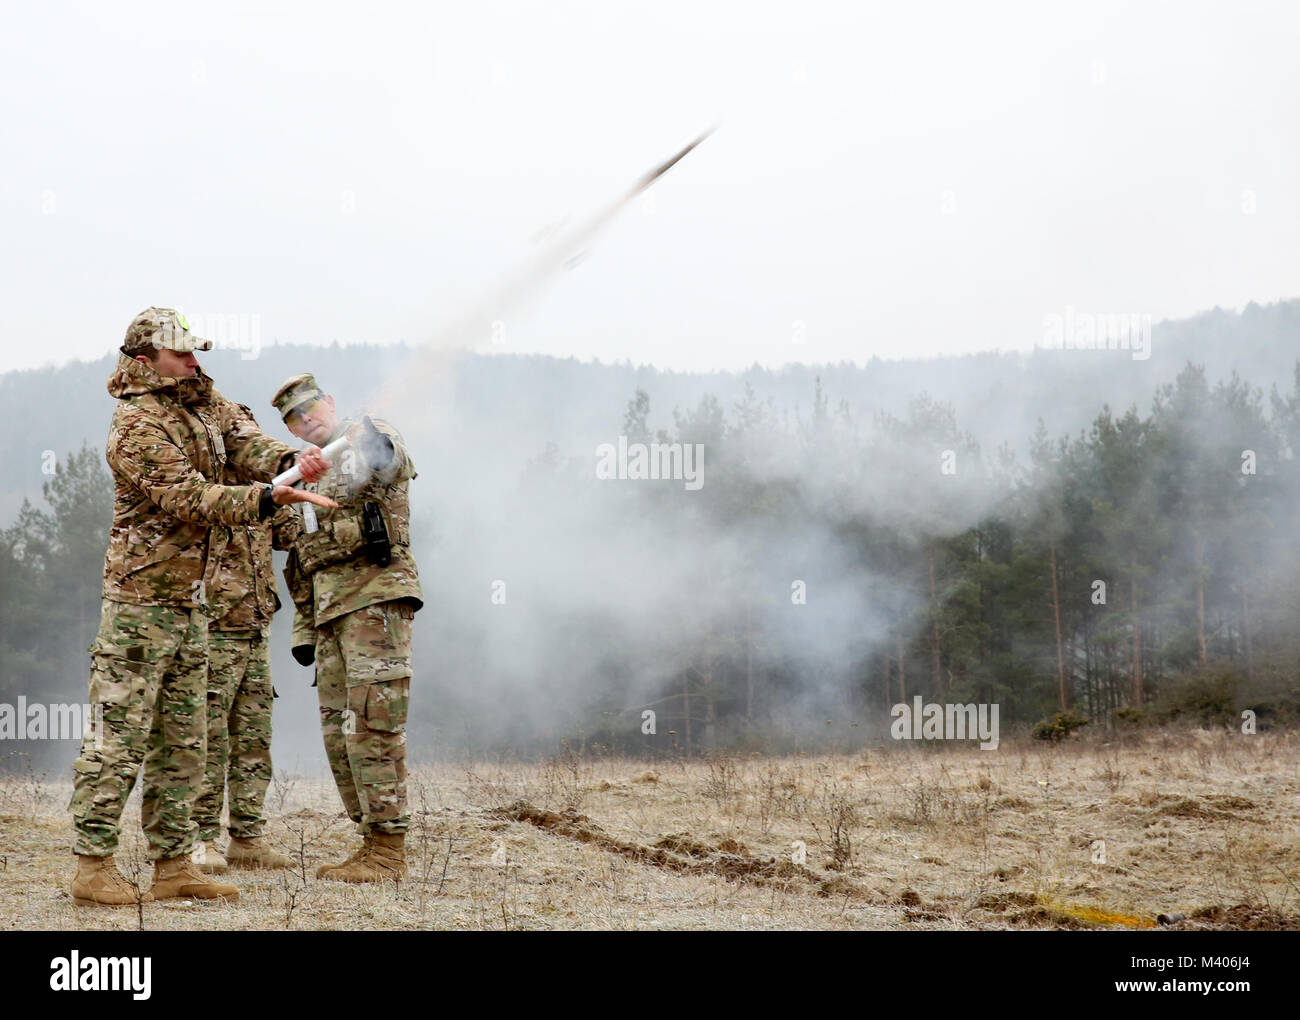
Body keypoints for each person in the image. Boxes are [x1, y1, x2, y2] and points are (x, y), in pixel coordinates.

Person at [68, 307, 336, 907]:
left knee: (183, 743)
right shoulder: (136, 424)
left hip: (195, 605)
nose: (195, 359)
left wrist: (291, 463)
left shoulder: (205, 408)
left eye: (196, 350)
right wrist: (270, 496)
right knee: (120, 738)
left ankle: (173, 865)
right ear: (144, 360)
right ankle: (92, 865)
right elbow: (190, 497)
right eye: (180, 351)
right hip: (141, 605)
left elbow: (249, 445)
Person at [271, 372, 422, 882]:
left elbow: (392, 462)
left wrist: (368, 438)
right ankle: (369, 839)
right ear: (291, 430)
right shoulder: (304, 476)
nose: (306, 417)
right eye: (294, 416)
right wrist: (304, 630)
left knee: (372, 722)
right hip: (330, 615)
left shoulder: (364, 435)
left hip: (374, 605)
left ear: (329, 402)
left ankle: (388, 849)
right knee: (339, 732)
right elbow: (300, 558)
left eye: (311, 406)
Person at [191, 402, 301, 873]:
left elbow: (289, 537)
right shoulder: (204, 488)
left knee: (254, 738)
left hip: (255, 626)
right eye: (239, 435)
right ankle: (199, 839)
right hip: (211, 626)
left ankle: (248, 837)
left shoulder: (264, 492)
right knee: (207, 739)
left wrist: (293, 490)